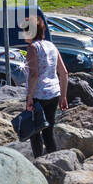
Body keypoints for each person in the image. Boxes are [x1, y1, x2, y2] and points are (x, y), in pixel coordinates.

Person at [23, 15, 68, 158]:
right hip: (53, 93)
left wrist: (29, 97)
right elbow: (64, 72)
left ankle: (39, 162)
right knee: (48, 131)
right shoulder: (51, 46)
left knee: (35, 132)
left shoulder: (32, 48)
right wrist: (63, 96)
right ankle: (54, 161)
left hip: (38, 94)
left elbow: (34, 74)